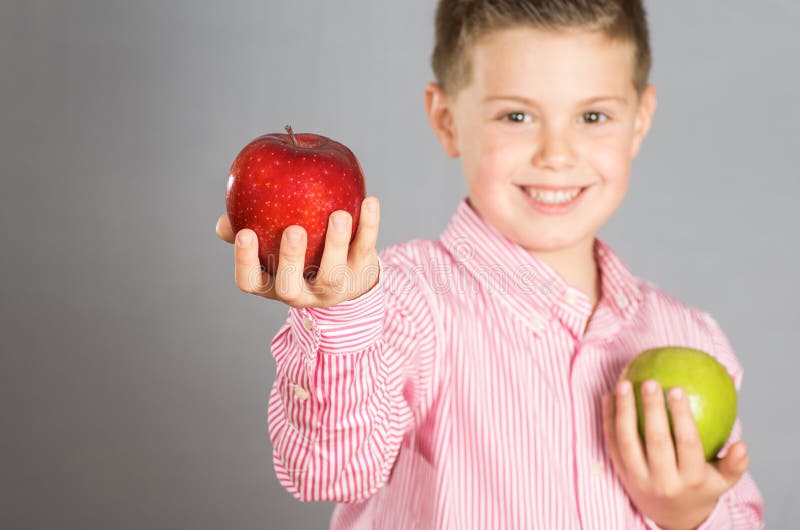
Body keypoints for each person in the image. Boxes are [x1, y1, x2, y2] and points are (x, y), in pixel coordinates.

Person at [216, 1, 764, 528]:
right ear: (447, 119)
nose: (557, 154)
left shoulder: (693, 336)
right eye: (517, 115)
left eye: (592, 116)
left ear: (640, 120)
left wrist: (690, 517)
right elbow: (326, 473)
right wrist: (338, 318)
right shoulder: (400, 304)